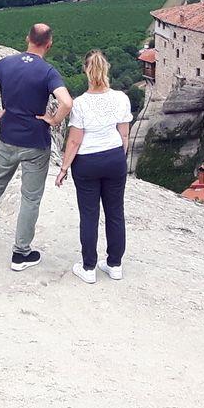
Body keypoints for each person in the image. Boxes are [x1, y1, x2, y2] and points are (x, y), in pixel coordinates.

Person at [0, 23, 72, 271]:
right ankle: (20, 253)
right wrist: (54, 120)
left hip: (7, 137)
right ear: (49, 43)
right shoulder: (48, 72)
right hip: (35, 143)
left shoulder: (6, 63)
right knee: (30, 198)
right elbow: (66, 102)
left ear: (27, 39)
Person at [55, 50, 132, 283]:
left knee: (89, 215)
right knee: (115, 212)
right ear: (106, 69)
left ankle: (89, 268)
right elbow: (124, 135)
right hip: (114, 158)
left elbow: (75, 140)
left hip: (87, 162)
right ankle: (114, 264)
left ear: (86, 72)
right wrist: (119, 158)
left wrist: (64, 168)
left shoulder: (79, 104)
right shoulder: (121, 98)